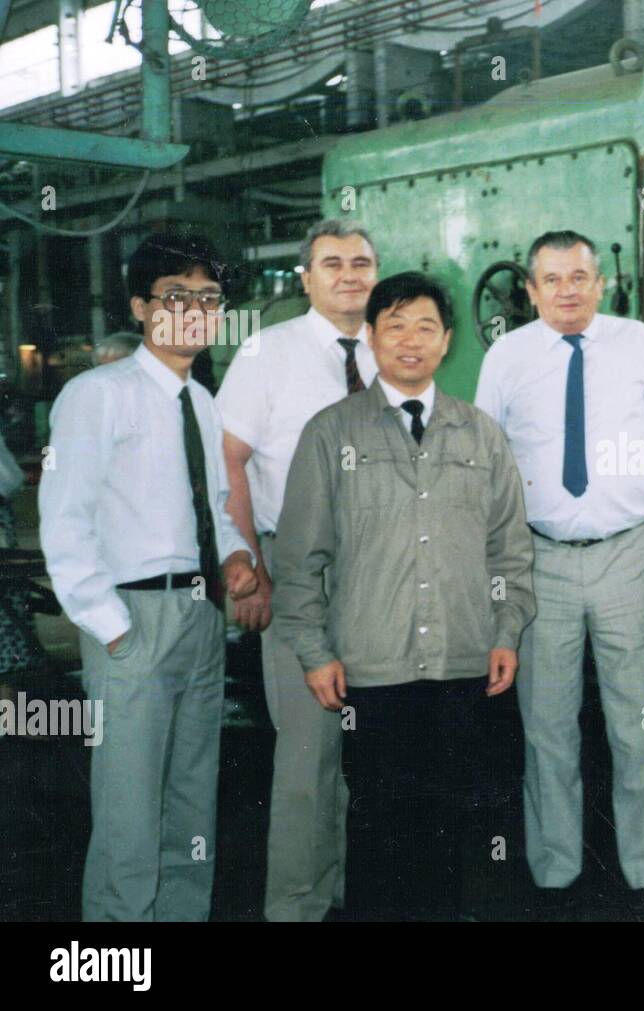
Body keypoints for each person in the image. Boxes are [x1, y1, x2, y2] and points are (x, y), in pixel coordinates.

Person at [272, 272, 535, 920]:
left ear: (447, 341)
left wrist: (505, 631)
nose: (410, 341)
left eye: (425, 327)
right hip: (372, 671)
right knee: (380, 833)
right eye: (395, 326)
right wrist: (312, 649)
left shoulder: (480, 435)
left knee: (455, 833)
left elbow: (510, 551)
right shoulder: (330, 434)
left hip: (462, 667)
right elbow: (299, 558)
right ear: (370, 337)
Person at [39, 232, 258, 920]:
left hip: (197, 619)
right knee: (130, 808)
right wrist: (110, 629)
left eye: (208, 298)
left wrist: (235, 557)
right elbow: (65, 522)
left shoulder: (201, 400)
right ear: (140, 306)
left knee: (191, 798)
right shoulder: (95, 394)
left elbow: (213, 507)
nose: (193, 310)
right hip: (132, 622)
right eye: (175, 296)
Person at [475, 230, 644, 894]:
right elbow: (484, 465)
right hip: (538, 561)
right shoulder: (507, 358)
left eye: (580, 276)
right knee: (547, 725)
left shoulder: (638, 344)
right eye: (552, 279)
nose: (567, 289)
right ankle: (555, 870)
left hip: (627, 553)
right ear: (530, 290)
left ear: (601, 283)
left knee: (639, 721)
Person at [216, 219, 379, 921]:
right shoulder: (267, 352)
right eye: (332, 263)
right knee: (308, 756)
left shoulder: (394, 348)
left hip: (381, 573)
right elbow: (229, 460)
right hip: (298, 570)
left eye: (362, 262)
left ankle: (352, 890)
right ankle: (295, 906)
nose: (349, 274)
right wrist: (249, 566)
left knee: (371, 749)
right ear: (306, 279)